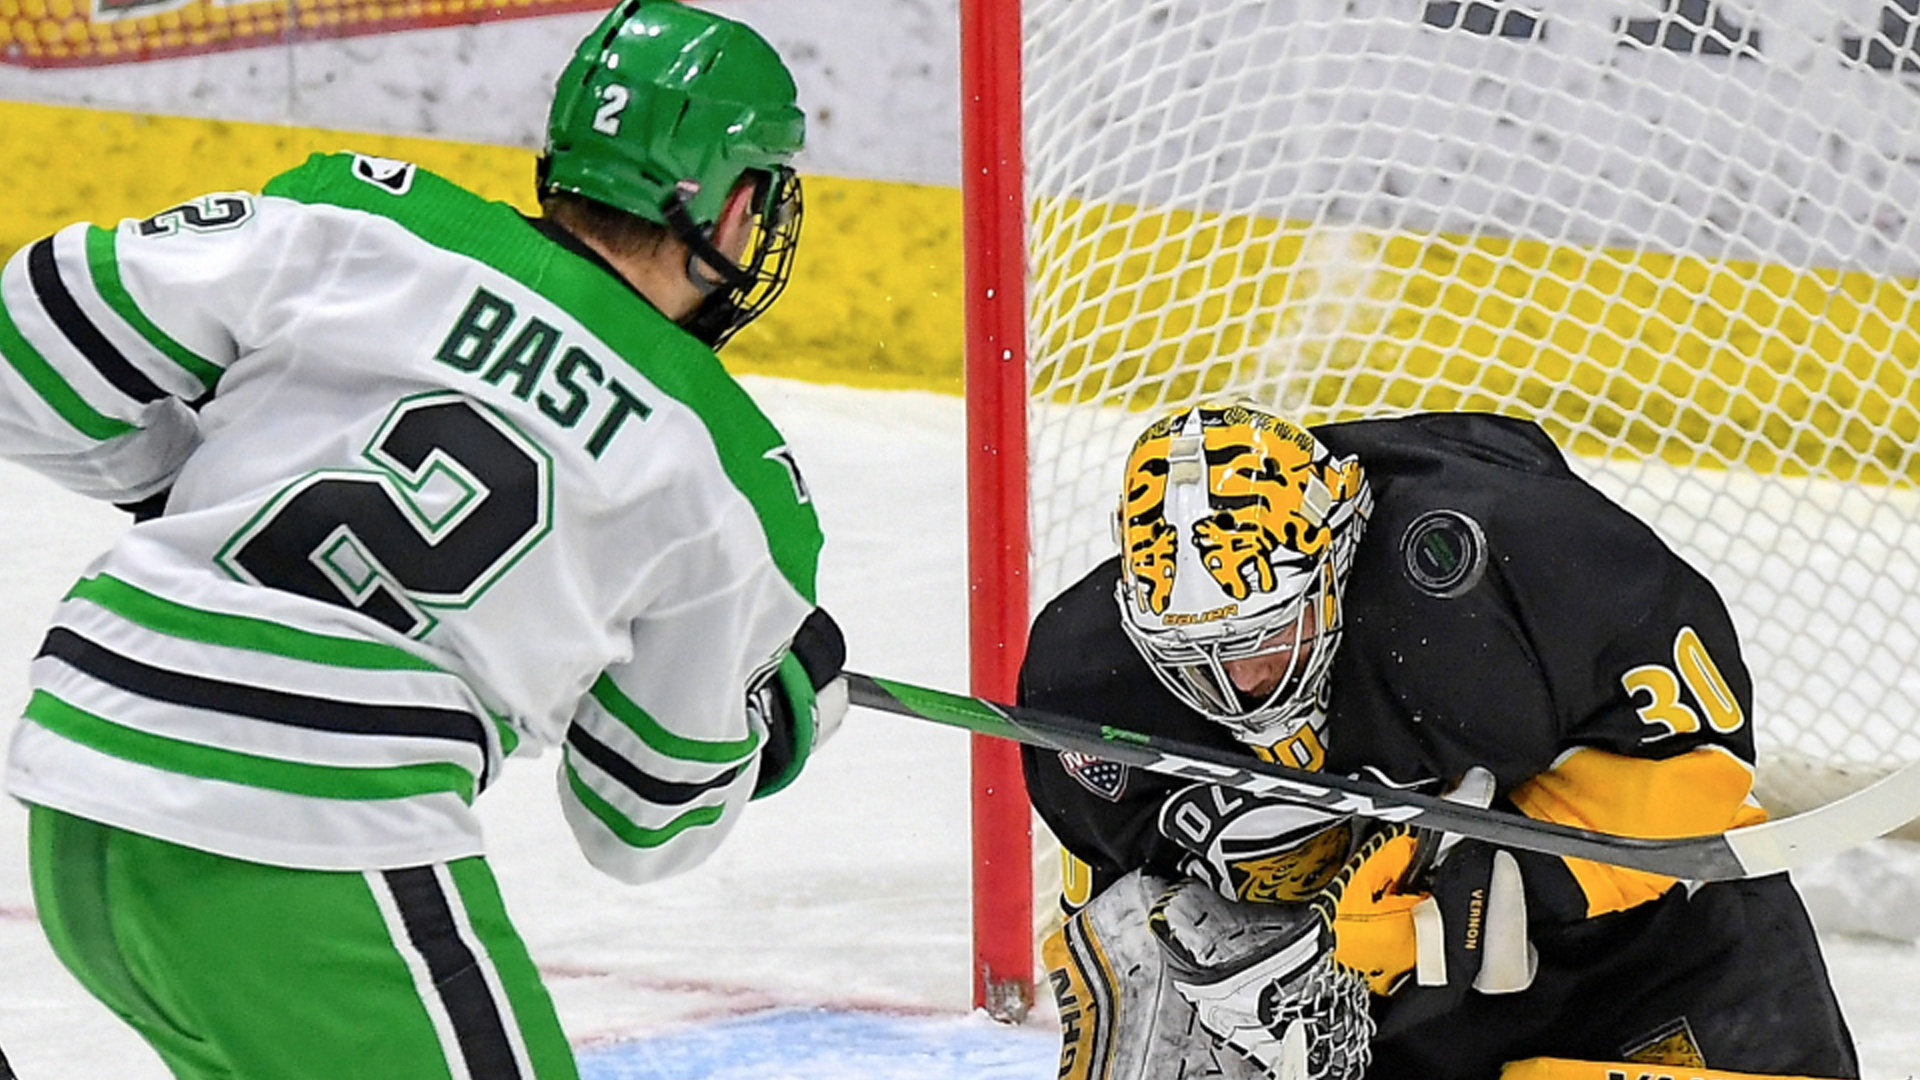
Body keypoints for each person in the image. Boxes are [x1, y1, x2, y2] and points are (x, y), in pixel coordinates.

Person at [0, 2, 845, 1077]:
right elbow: (641, 818)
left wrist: (194, 486)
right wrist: (778, 714)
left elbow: (28, 347)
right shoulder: (735, 481)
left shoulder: (358, 221)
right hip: (301, 834)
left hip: (79, 785)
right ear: (735, 212)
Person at [1020, 402, 1858, 1080]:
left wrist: (1512, 883)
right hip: (1404, 1025)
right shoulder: (1088, 690)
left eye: (1265, 640)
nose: (1241, 688)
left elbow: (1695, 768)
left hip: (1651, 957)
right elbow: (1116, 910)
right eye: (1196, 657)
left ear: (1340, 555)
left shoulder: (1511, 561)